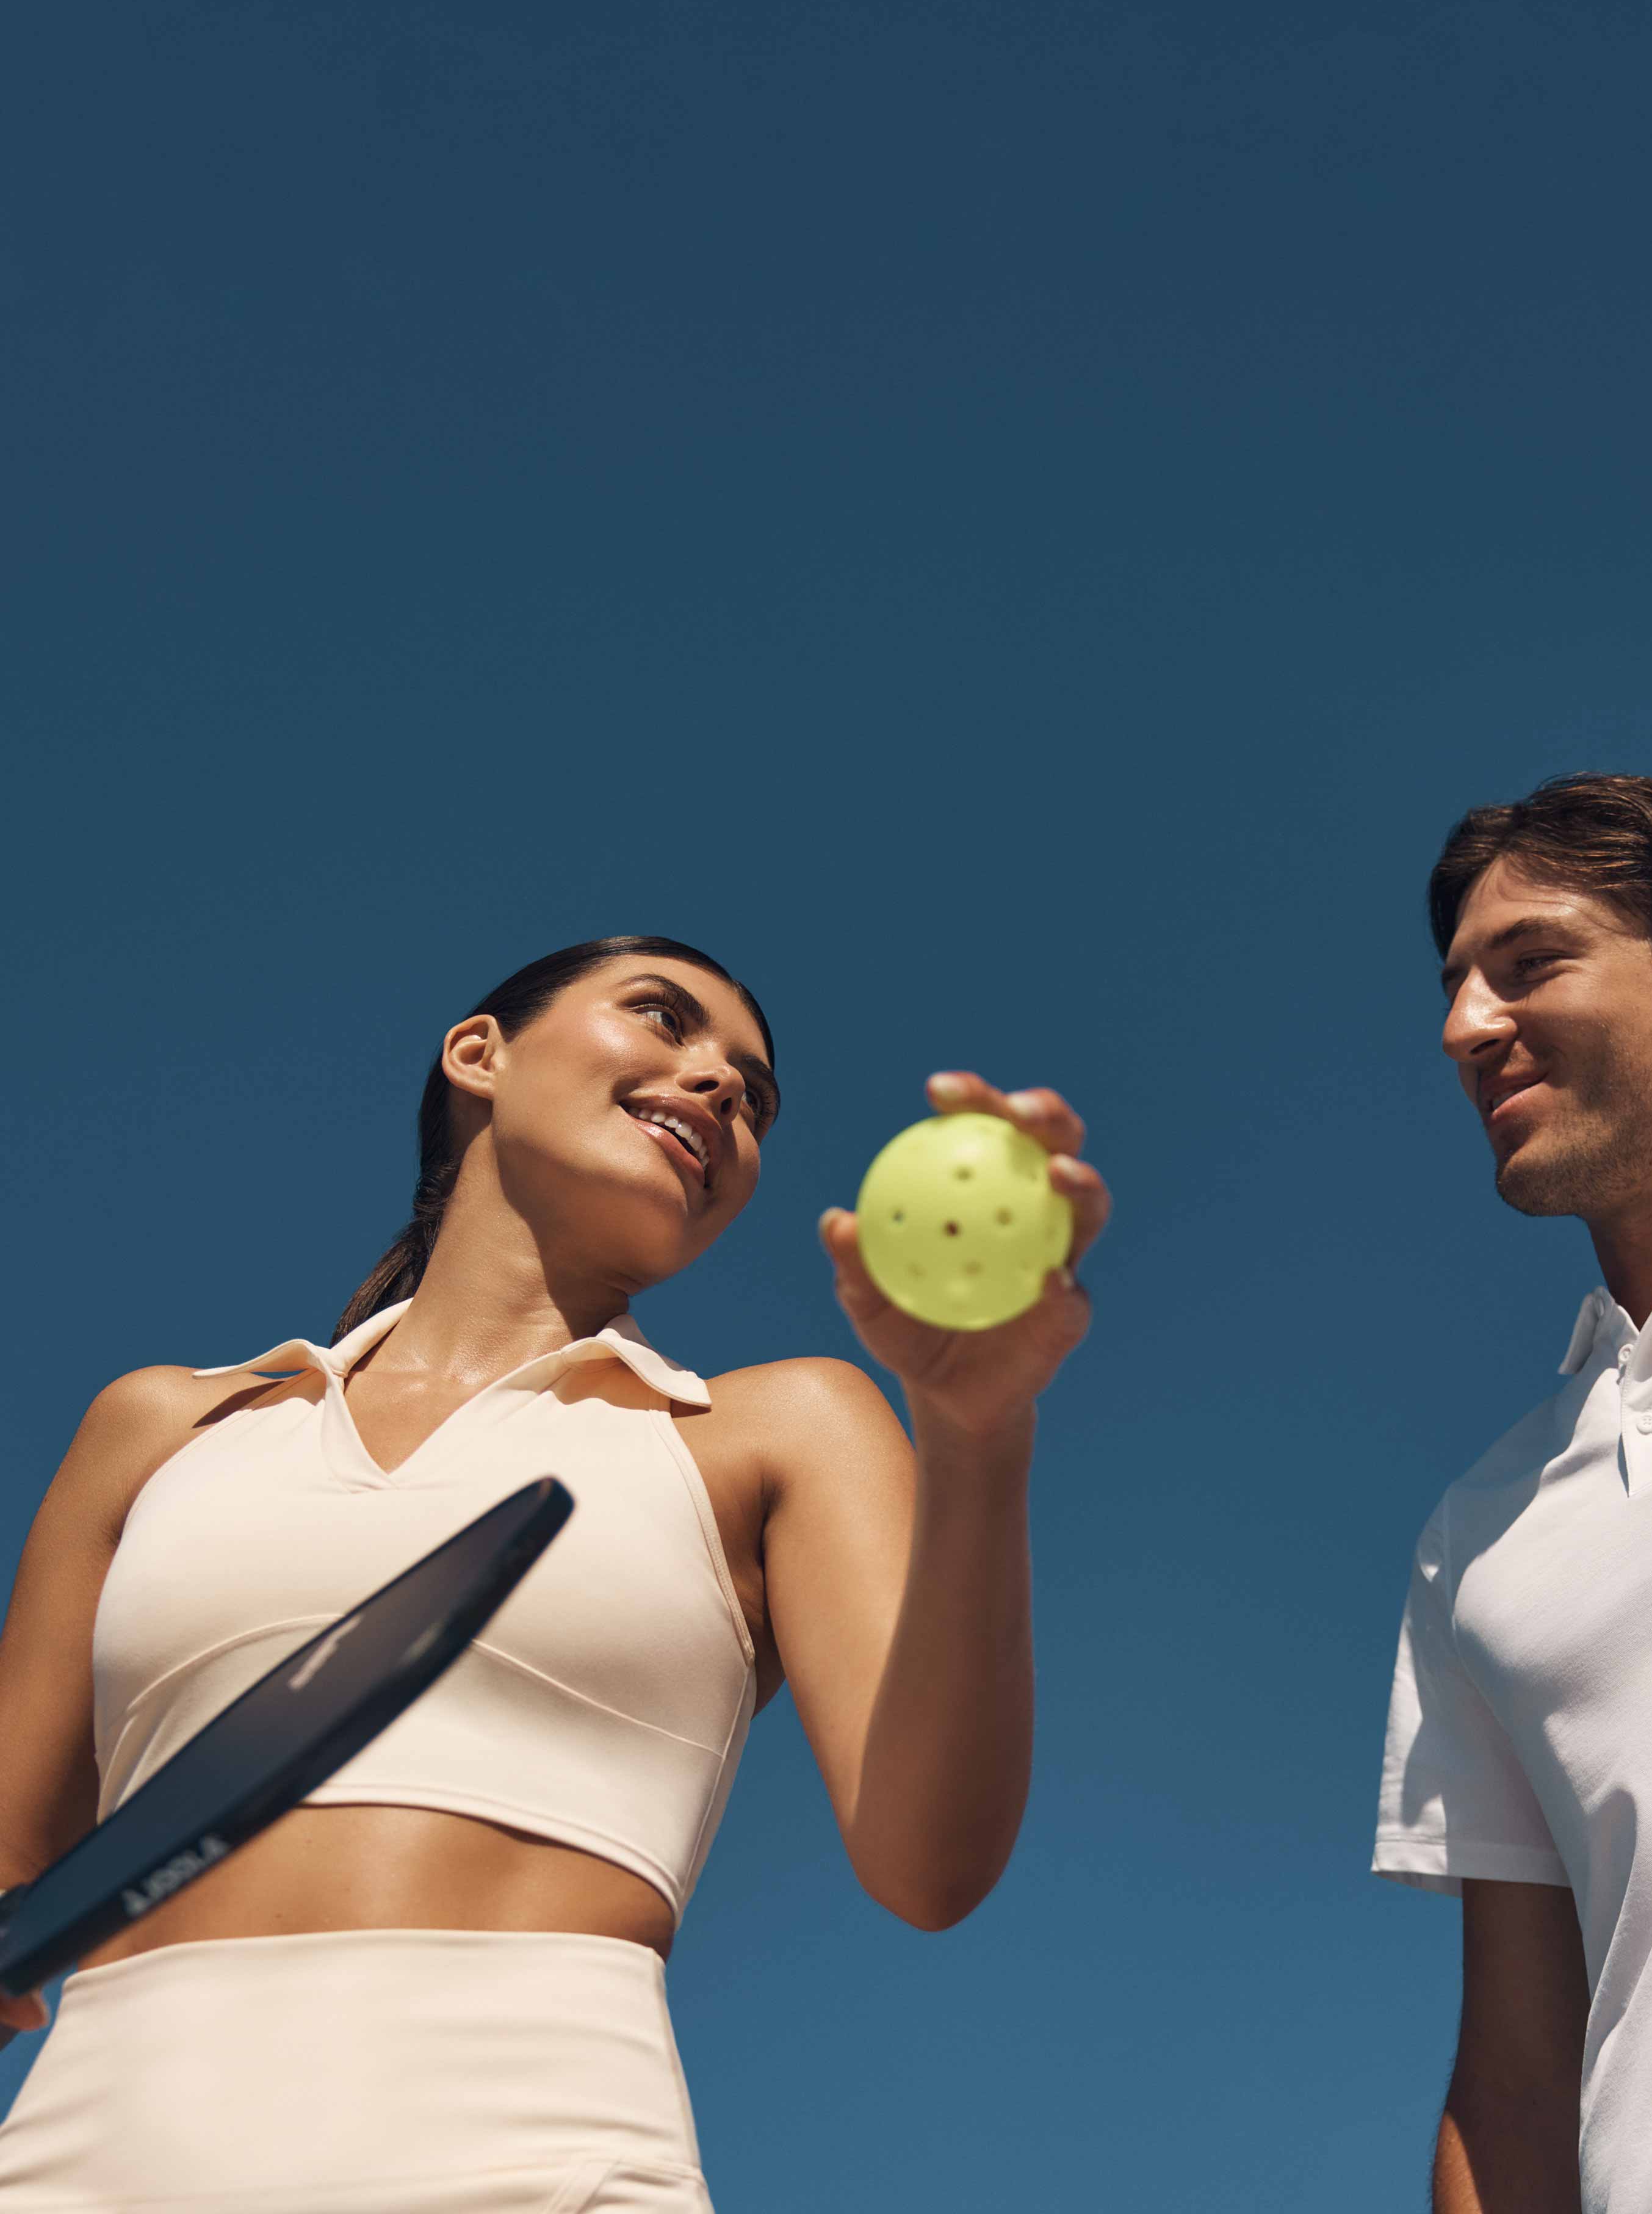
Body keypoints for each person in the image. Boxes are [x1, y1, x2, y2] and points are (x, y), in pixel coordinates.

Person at [0, 935, 1108, 2211]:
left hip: (539, 2163)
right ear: (480, 1052)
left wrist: (976, 1434)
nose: (717, 1089)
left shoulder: (774, 1425)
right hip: (81, 2164)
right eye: (662, 1019)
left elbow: (933, 1866)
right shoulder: (161, 1426)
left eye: (750, 1093)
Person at [1373, 776, 1652, 2214]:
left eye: (1530, 964)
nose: (1463, 1028)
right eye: (1454, 986)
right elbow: (1512, 2079)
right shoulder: (1484, 1530)